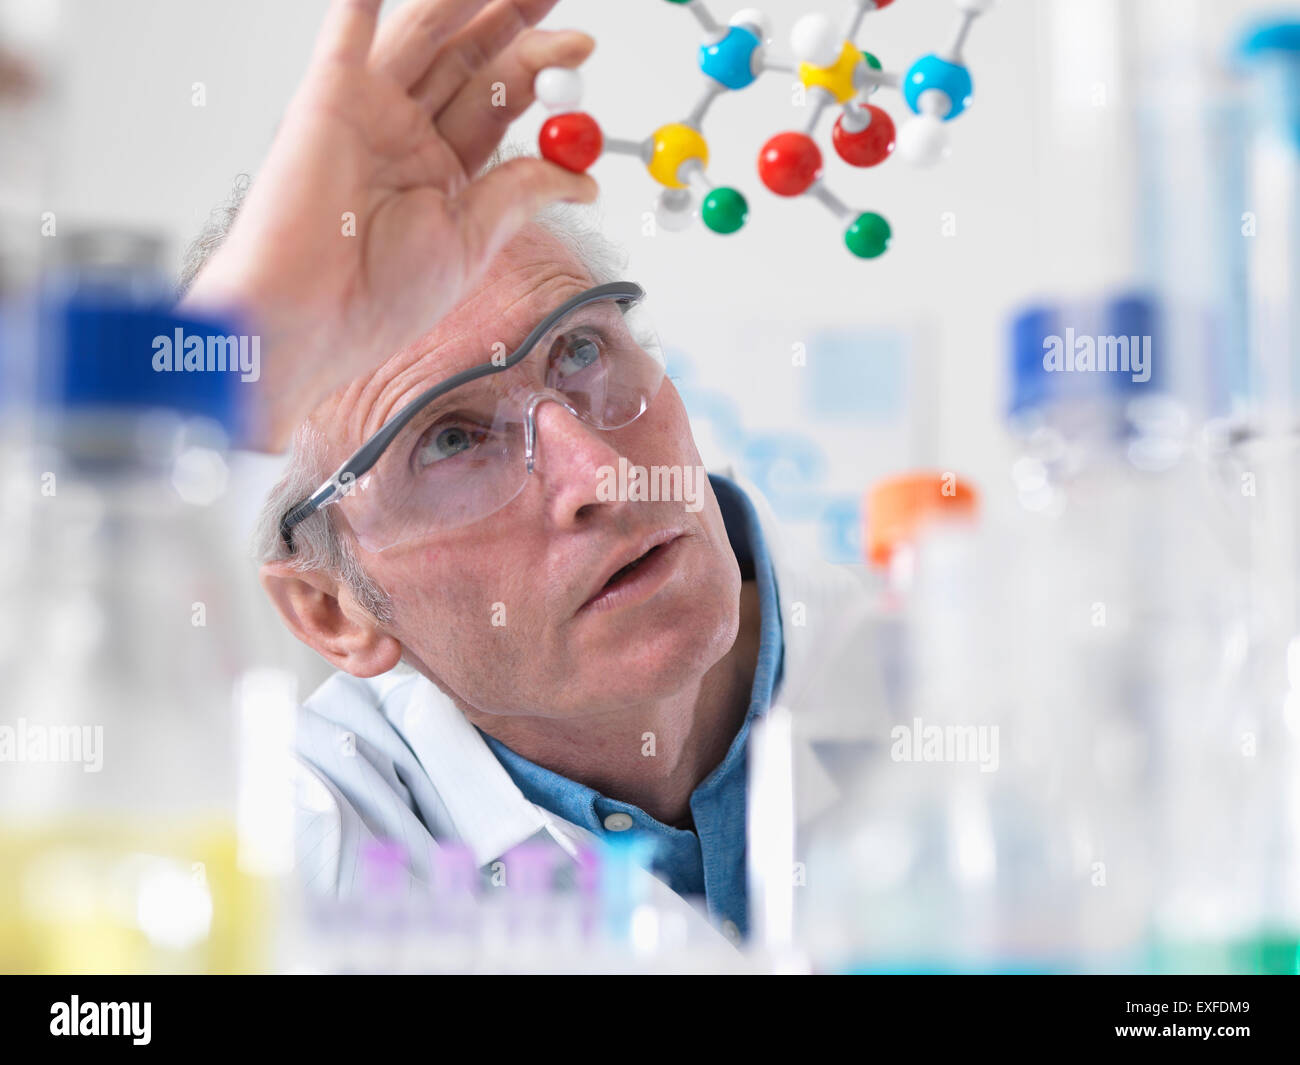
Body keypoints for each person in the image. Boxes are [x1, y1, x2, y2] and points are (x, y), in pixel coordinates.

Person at [181, 0, 873, 946]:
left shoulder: (953, 683)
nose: (598, 473)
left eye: (581, 350)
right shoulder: (297, 837)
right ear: (334, 612)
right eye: (452, 441)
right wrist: (225, 359)